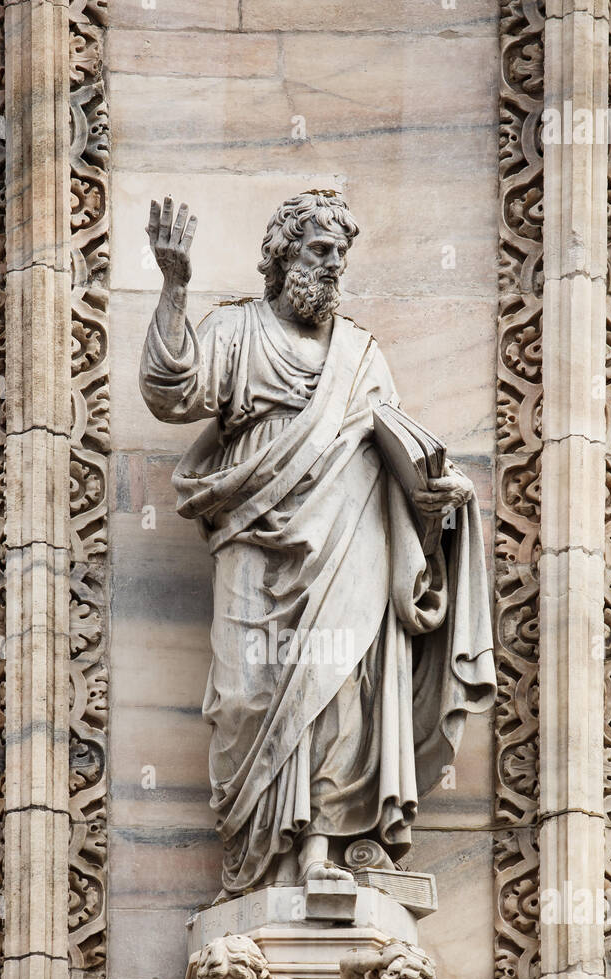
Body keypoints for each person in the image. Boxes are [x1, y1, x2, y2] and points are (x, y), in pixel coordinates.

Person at [140, 190, 495, 897]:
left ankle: (323, 849)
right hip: (253, 528)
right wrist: (175, 287)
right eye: (318, 250)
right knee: (245, 692)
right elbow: (171, 392)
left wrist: (441, 500)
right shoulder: (234, 330)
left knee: (339, 690)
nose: (332, 264)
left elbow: (403, 453)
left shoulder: (361, 354)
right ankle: (256, 852)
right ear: (282, 257)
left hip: (347, 531)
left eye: (340, 253)